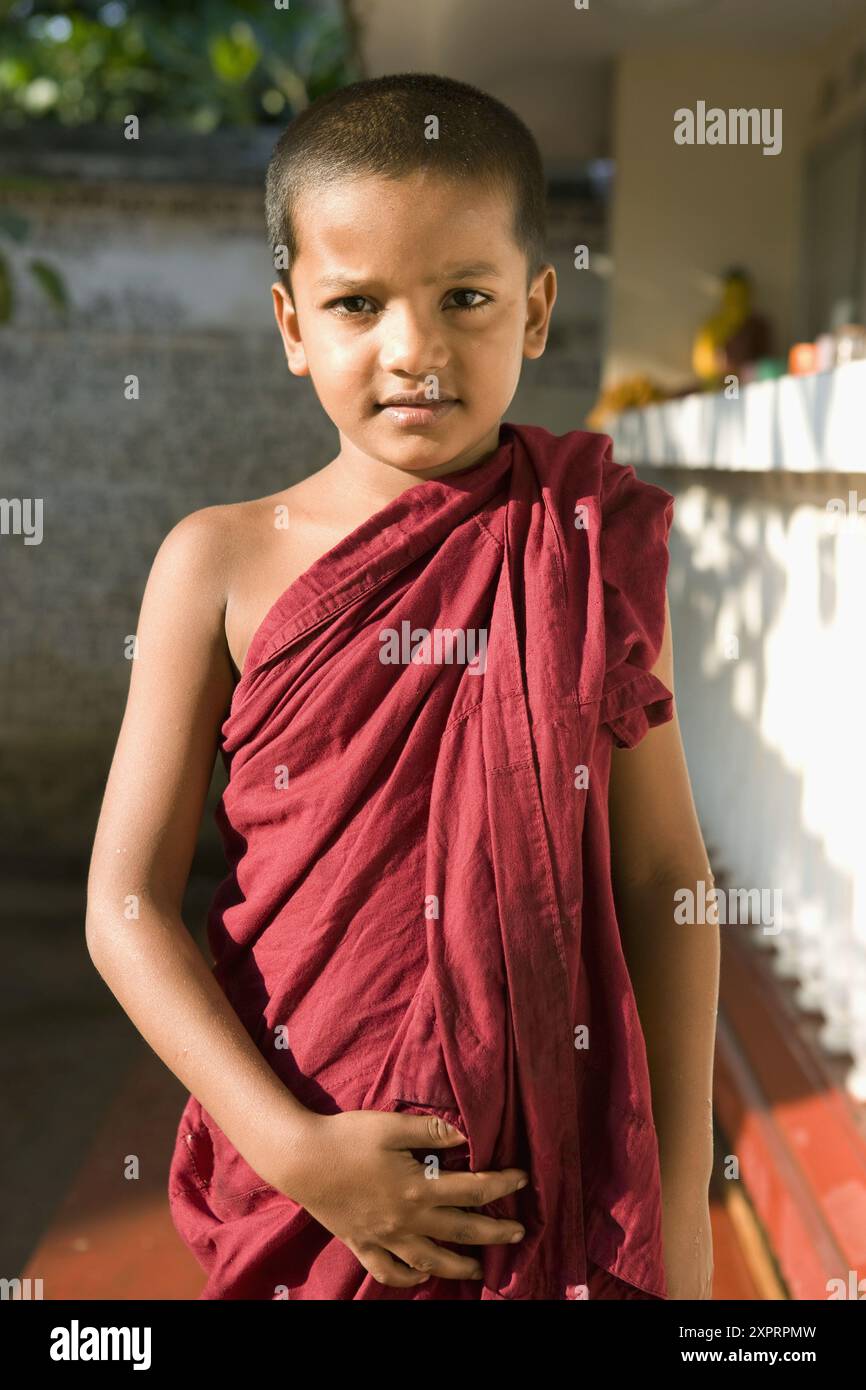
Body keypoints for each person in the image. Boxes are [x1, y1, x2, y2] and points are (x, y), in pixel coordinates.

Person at [85, 72, 719, 1301]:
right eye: (356, 303)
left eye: (463, 298)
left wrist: (680, 1212)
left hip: (550, 1175)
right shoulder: (215, 561)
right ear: (289, 325)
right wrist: (293, 1150)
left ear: (535, 310)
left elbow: (661, 878)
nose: (413, 350)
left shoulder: (586, 541)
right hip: (307, 1175)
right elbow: (124, 905)